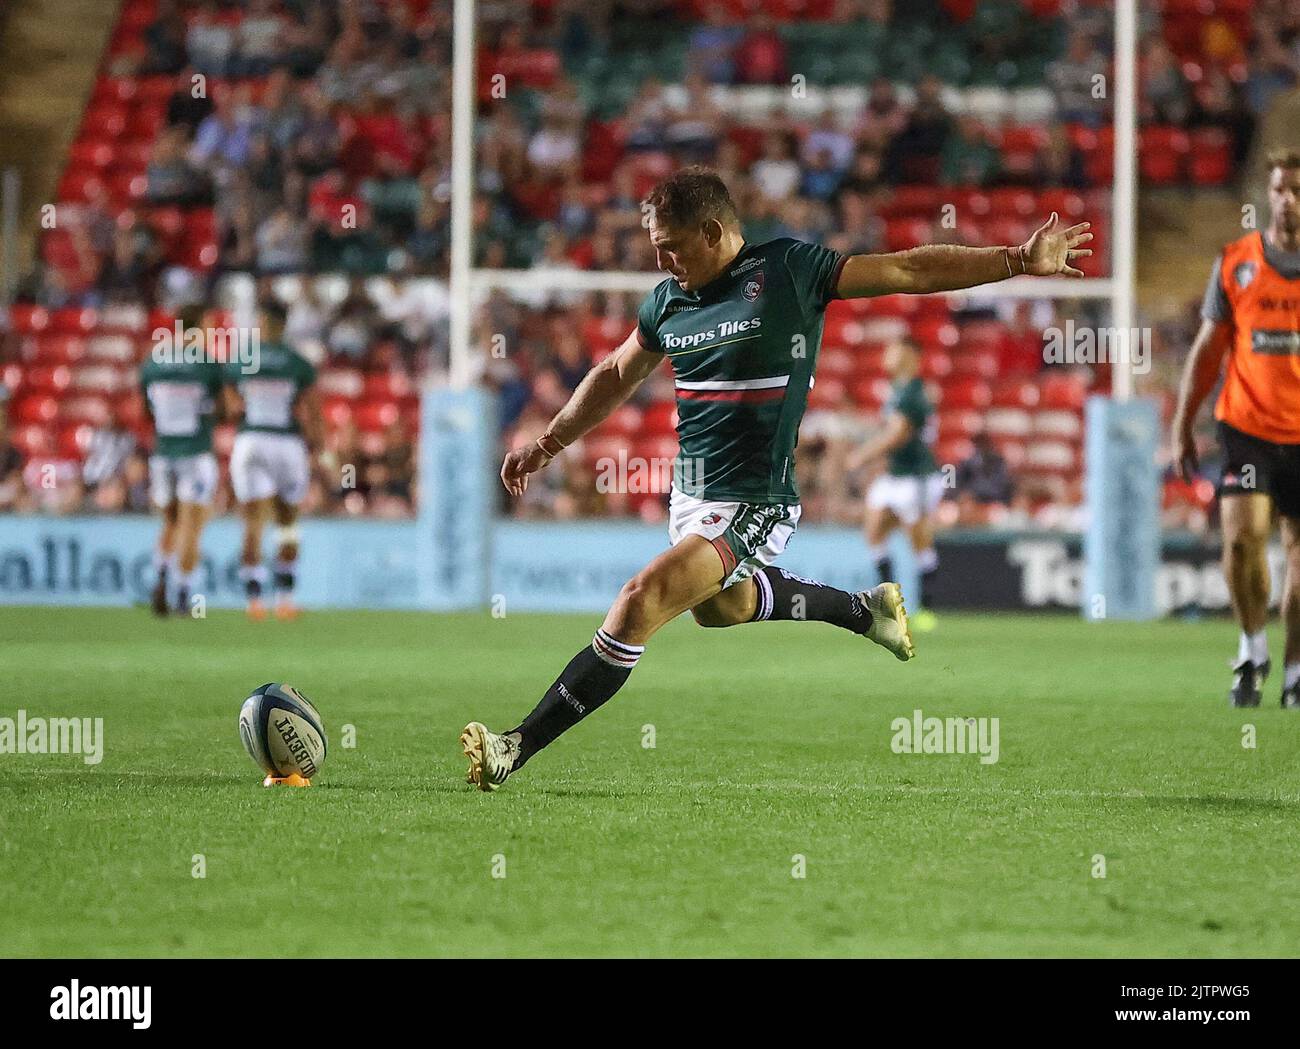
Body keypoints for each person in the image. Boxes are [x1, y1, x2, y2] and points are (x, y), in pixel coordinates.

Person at [462, 166, 1091, 790]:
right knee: (722, 609)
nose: (660, 260)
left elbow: (908, 269)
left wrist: (1015, 258)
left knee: (639, 601)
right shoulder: (668, 302)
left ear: (712, 231)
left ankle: (514, 746)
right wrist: (548, 442)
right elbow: (615, 375)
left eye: (670, 246)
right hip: (690, 494)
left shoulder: (788, 271)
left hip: (755, 498)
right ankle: (862, 611)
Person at [1172, 149, 1300, 708]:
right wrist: (1181, 423)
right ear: (1267, 194)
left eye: (1296, 190)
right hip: (1246, 427)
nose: (1287, 200)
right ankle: (1252, 649)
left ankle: (1296, 672)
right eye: (1279, 190)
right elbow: (1207, 353)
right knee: (1242, 540)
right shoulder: (1236, 263)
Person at [225, 301, 324, 620]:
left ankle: (254, 600)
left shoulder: (242, 359)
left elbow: (227, 401)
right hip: (285, 441)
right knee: (288, 521)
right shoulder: (297, 362)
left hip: (251, 439)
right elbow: (311, 409)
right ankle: (285, 597)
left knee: (252, 520)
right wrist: (318, 445)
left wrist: (237, 406)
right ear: (284, 325)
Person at [847, 337, 943, 630]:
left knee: (919, 541)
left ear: (910, 356)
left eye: (893, 350)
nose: (886, 355)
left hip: (917, 477)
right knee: (873, 531)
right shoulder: (898, 390)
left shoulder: (913, 392)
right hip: (895, 475)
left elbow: (899, 434)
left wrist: (863, 455)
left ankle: (927, 608)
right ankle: (886, 604)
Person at [139, 310, 224, 616]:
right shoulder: (207, 365)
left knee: (170, 522)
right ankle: (183, 594)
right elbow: (224, 408)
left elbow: (145, 412)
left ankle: (161, 575)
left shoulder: (153, 363)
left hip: (163, 455)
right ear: (199, 327)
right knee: (192, 525)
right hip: (196, 453)